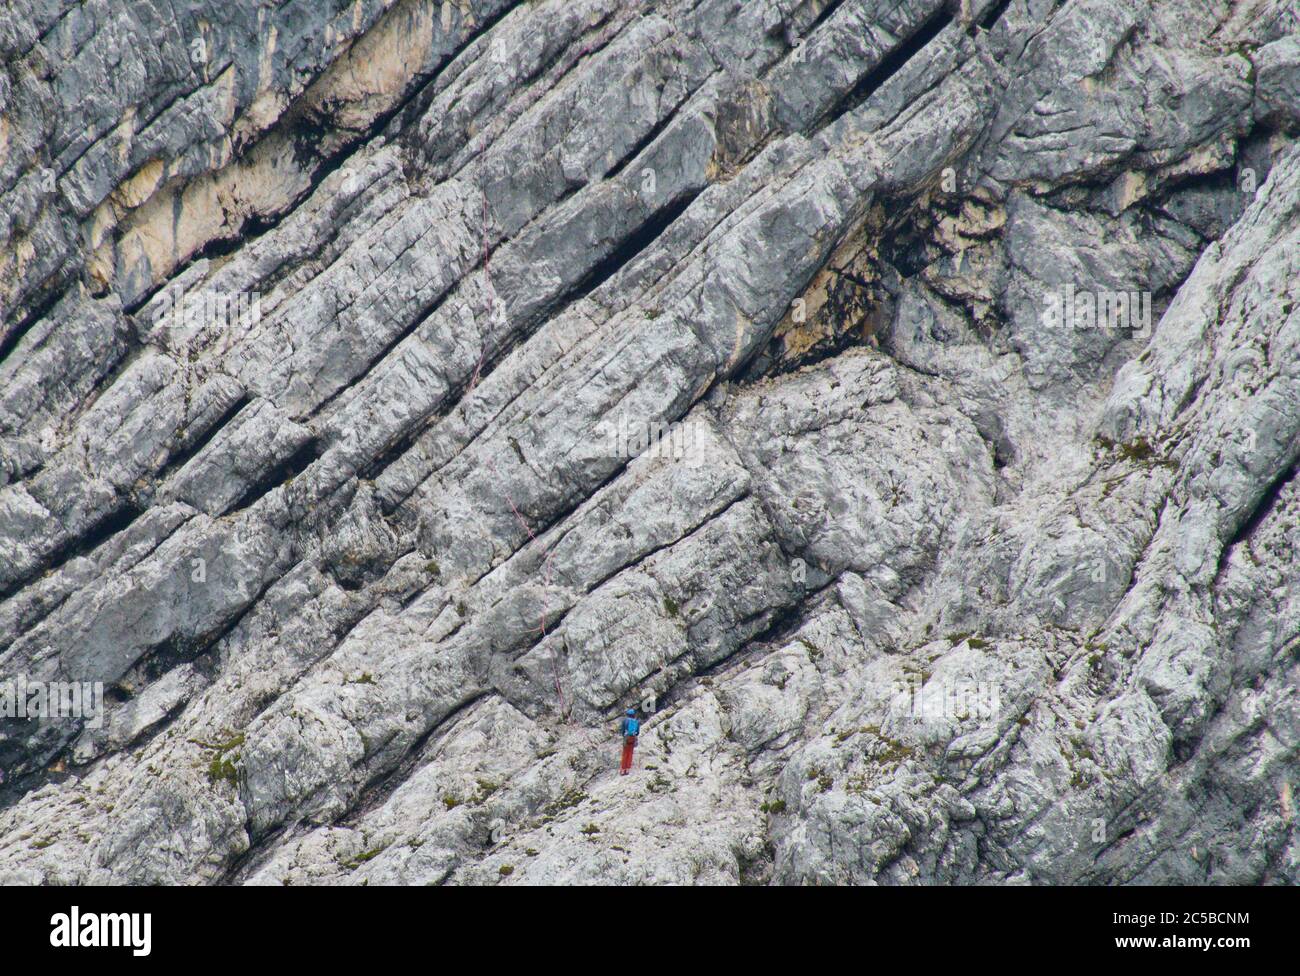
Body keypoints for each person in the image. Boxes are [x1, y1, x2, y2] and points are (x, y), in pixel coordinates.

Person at [619, 708, 640, 775]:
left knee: (625, 753)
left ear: (628, 714)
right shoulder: (636, 721)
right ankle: (627, 769)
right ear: (633, 715)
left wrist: (624, 735)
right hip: (633, 738)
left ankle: (623, 769)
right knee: (630, 753)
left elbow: (622, 730)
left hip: (626, 738)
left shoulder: (625, 721)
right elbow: (637, 732)